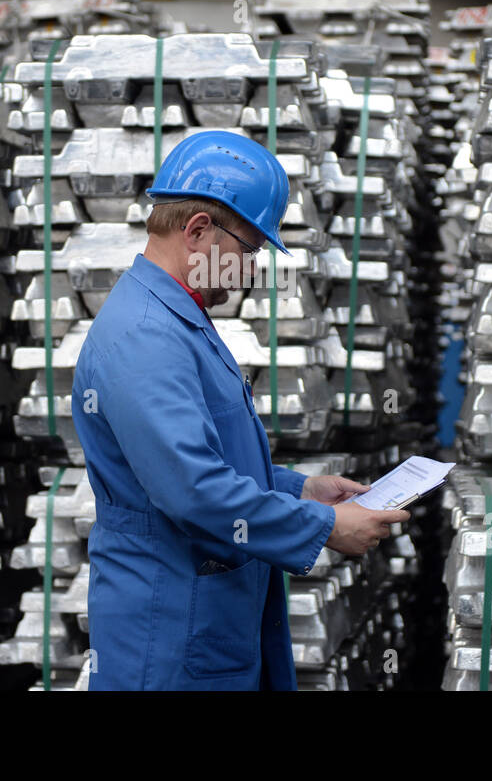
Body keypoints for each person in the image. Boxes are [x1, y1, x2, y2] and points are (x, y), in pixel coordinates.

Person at [71, 130, 410, 690]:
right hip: (169, 634)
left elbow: (201, 458)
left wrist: (299, 490)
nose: (251, 271)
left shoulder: (179, 321)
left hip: (203, 617)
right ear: (199, 231)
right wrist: (325, 526)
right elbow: (193, 490)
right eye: (249, 250)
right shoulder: (145, 337)